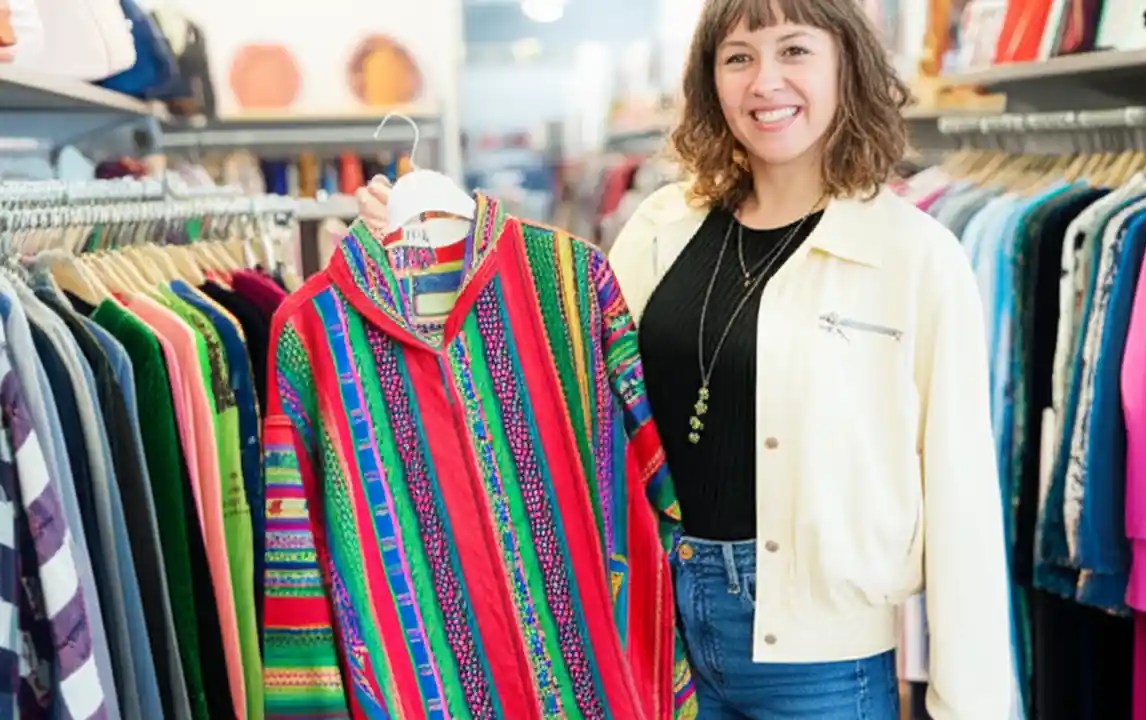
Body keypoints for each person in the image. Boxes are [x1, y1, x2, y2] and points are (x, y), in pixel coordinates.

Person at [357, 0, 1013, 715]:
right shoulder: (663, 226)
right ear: (711, 81)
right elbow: (556, 378)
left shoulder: (914, 257)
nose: (765, 81)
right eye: (739, 57)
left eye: (794, 51)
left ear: (846, 65)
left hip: (819, 666)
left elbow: (962, 499)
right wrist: (424, 246)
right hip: (655, 628)